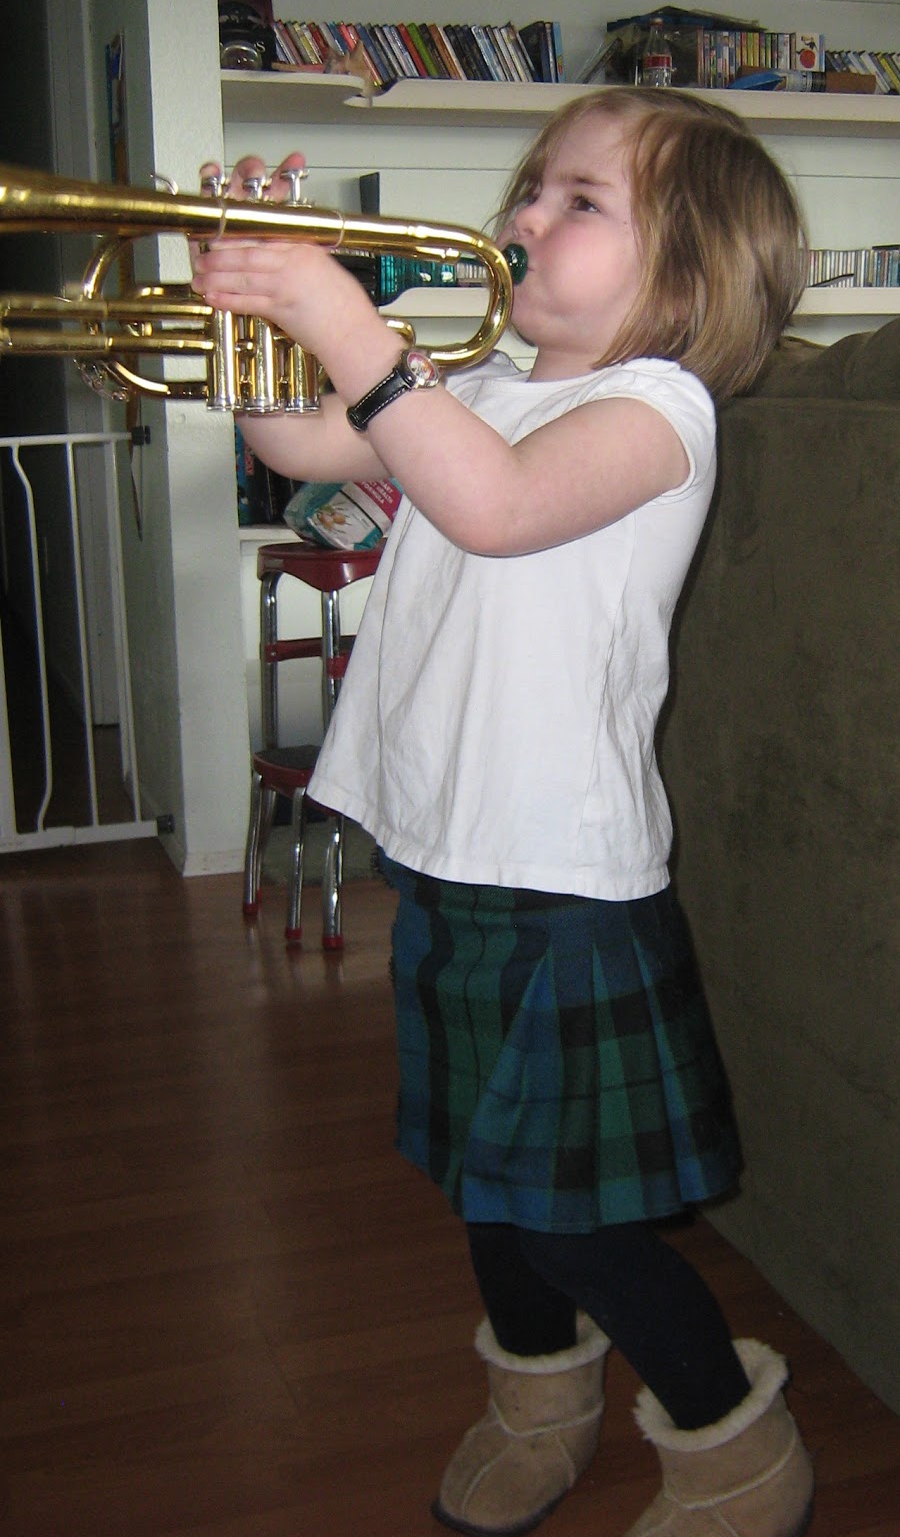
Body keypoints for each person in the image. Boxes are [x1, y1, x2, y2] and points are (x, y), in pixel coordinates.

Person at [192, 86, 812, 1537]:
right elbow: (299, 449)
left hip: (564, 881)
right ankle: (538, 1395)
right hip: (444, 855)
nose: (526, 212)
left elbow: (497, 506)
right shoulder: (471, 384)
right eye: (533, 183)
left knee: (570, 1218)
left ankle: (736, 1450)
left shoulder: (657, 410)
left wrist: (346, 317)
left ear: (689, 272)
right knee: (483, 1176)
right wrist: (251, 306)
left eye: (579, 200)